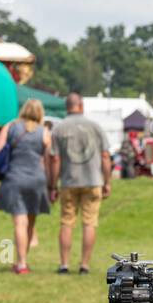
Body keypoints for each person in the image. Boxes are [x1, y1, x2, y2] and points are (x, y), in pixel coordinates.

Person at [49, 91, 111, 274]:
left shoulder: (58, 129)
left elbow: (55, 160)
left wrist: (53, 185)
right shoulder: (95, 127)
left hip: (69, 181)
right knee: (89, 222)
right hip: (93, 180)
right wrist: (107, 181)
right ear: (81, 106)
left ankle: (64, 264)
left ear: (66, 107)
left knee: (67, 222)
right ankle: (84, 264)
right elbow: (106, 156)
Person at [0, 99, 51, 273]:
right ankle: (23, 260)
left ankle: (21, 263)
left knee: (19, 222)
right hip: (37, 180)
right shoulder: (44, 132)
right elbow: (48, 157)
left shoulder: (11, 126)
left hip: (15, 177)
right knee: (31, 222)